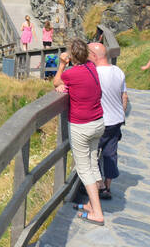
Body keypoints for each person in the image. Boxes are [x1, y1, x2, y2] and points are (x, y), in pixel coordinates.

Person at [54, 38, 106, 225]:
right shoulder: (91, 67)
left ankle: (97, 213)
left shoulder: (71, 74)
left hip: (82, 126)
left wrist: (62, 64)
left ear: (72, 56)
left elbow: (56, 81)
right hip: (98, 122)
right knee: (92, 161)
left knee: (84, 169)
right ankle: (92, 204)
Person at [90, 41, 128, 202]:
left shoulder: (93, 73)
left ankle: (99, 186)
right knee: (110, 153)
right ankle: (108, 186)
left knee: (91, 154)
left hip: (100, 120)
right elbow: (124, 96)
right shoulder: (118, 71)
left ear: (94, 56)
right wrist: (121, 114)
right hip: (116, 120)